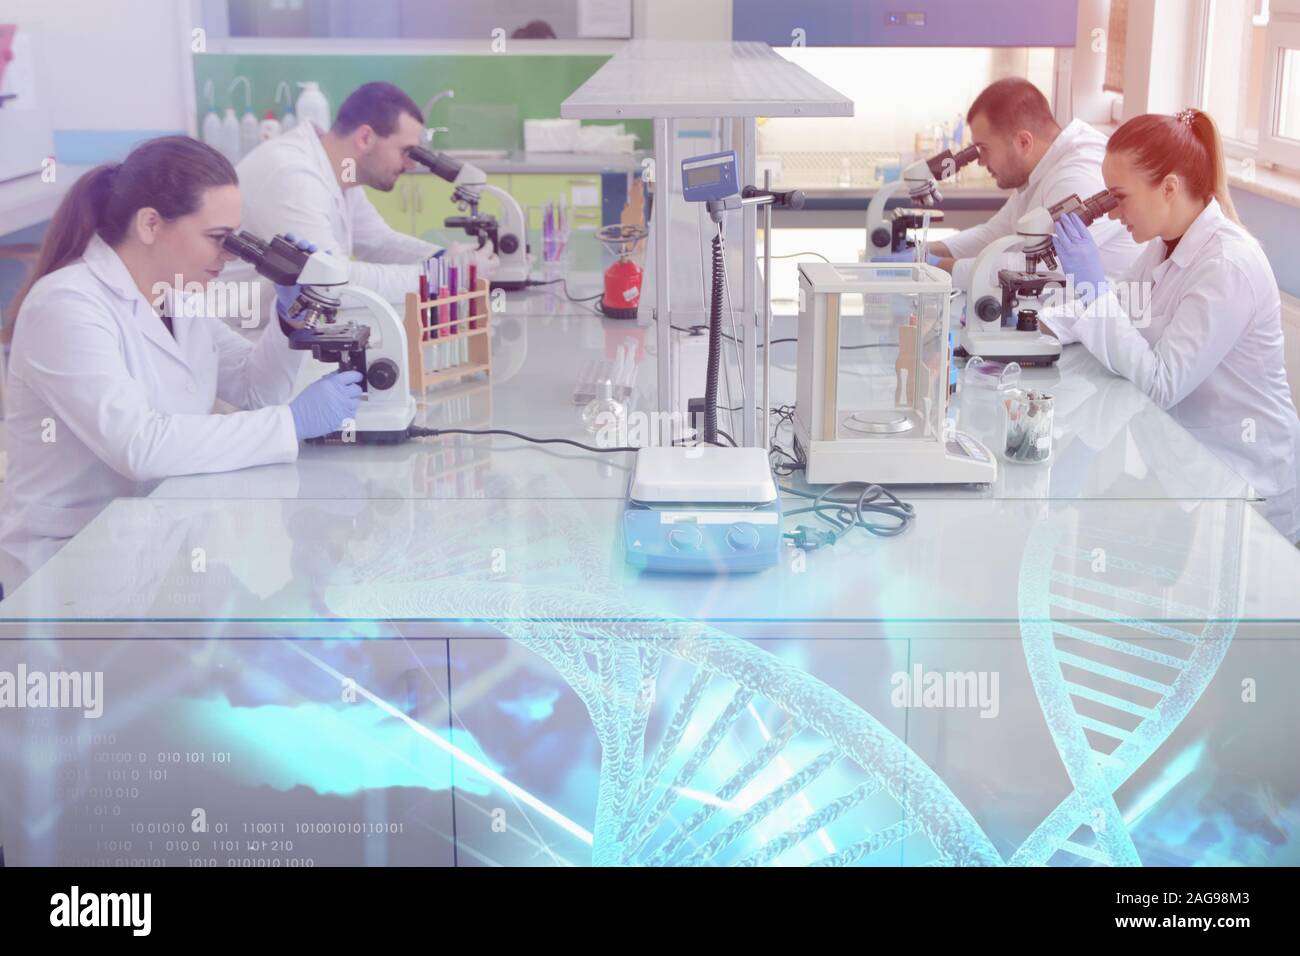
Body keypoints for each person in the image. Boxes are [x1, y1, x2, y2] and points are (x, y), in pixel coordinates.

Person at [0, 136, 363, 595]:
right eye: (217, 238)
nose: (231, 255)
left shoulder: (177, 300)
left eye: (235, 238)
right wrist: (291, 423)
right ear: (151, 224)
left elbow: (255, 392)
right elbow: (139, 446)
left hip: (156, 544)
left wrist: (290, 322)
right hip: (67, 568)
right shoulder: (67, 305)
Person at [1042, 108, 1300, 543]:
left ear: (1169, 187)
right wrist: (1037, 328)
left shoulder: (1227, 266)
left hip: (1247, 482)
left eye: (1118, 197)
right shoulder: (1165, 246)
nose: (1110, 213)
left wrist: (1093, 288)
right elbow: (1126, 306)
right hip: (1191, 470)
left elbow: (1162, 382)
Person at [885, 78, 1143, 291]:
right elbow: (995, 234)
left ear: (1023, 142)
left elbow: (1039, 267)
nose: (980, 161)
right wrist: (922, 252)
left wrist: (935, 267)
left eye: (983, 149)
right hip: (1062, 314)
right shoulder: (1041, 168)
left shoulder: (1077, 175)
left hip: (1099, 329)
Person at [233, 81, 445, 304]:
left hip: (291, 324)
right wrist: (441, 276)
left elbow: (377, 241)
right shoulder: (294, 176)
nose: (411, 164)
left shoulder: (344, 169)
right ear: (365, 138)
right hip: (246, 330)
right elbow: (330, 282)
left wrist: (444, 259)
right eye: (406, 151)